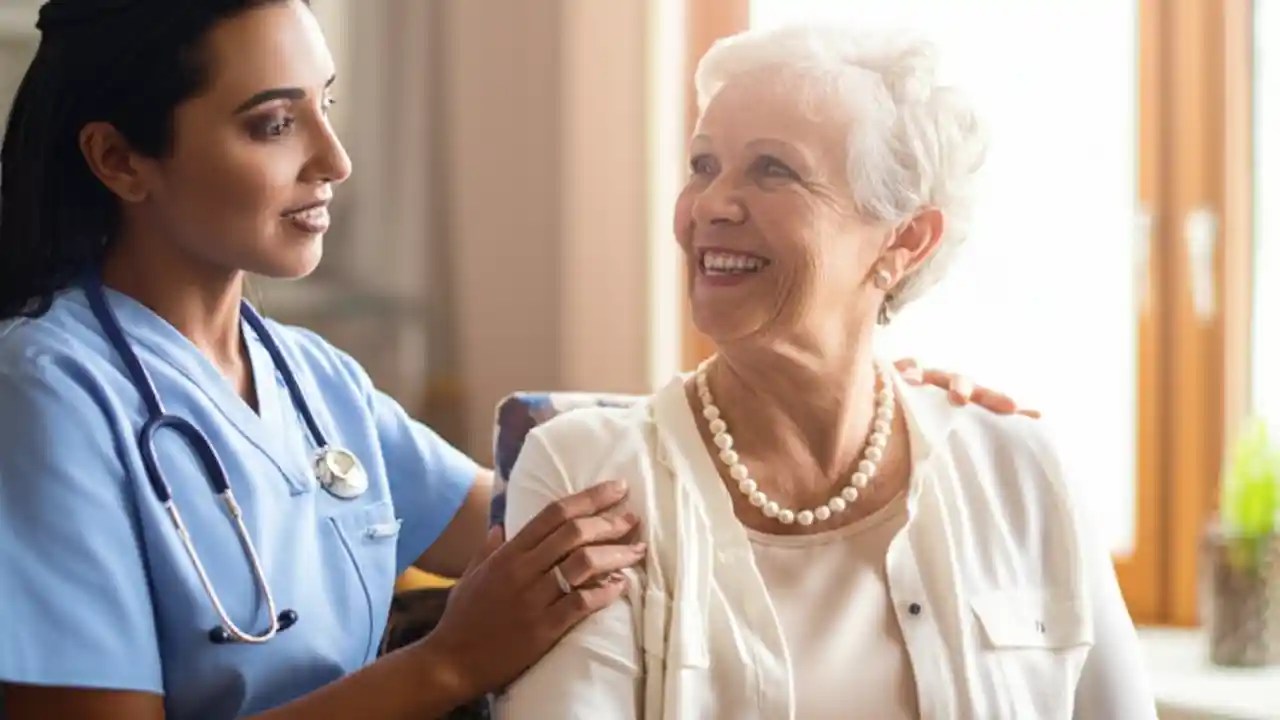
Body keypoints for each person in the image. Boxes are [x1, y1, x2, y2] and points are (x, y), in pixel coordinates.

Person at [0, 3, 1024, 718]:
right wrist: (447, 665)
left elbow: (593, 500)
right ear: (119, 158)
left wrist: (861, 413)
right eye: (273, 123)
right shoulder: (46, 397)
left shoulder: (310, 382)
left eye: (326, 102)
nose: (333, 157)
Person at [493, 25, 1158, 720]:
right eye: (703, 165)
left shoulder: (1023, 469)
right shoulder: (588, 475)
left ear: (904, 239)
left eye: (771, 169)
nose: (712, 205)